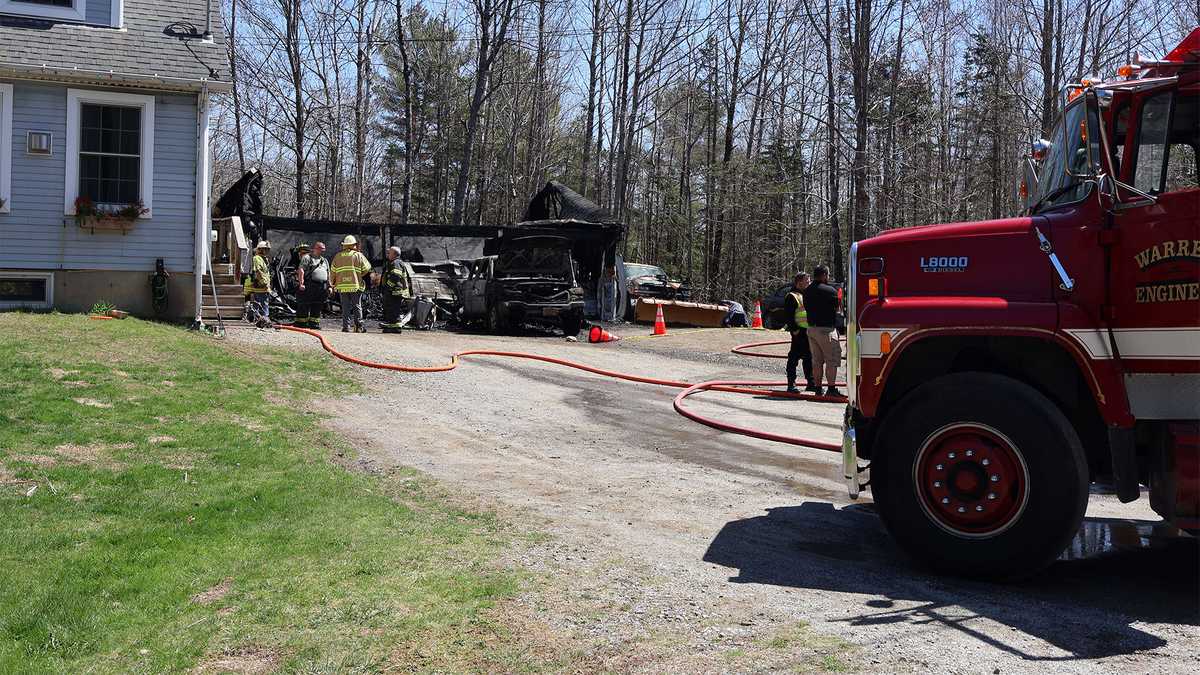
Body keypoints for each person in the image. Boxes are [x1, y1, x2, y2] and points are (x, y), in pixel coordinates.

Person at [802, 265, 842, 397]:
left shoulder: (807, 291)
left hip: (812, 329)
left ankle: (818, 389)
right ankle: (831, 389)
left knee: (817, 361)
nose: (829, 277)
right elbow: (838, 309)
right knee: (831, 360)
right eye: (828, 274)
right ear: (824, 275)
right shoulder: (830, 291)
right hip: (826, 330)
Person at [332, 235, 373, 333]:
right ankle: (358, 327)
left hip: (342, 286)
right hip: (355, 285)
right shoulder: (358, 255)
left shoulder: (338, 256)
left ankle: (346, 327)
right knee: (357, 306)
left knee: (345, 307)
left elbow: (333, 271)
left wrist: (332, 284)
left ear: (344, 245)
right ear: (354, 245)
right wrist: (359, 274)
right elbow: (367, 268)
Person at [784, 273, 816, 394]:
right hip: (799, 332)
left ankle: (811, 382)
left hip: (808, 331)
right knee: (794, 357)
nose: (809, 282)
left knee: (809, 357)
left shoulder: (807, 295)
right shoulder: (792, 296)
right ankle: (791, 383)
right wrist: (795, 330)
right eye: (807, 281)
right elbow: (788, 316)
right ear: (799, 283)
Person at [295, 241, 328, 329]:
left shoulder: (324, 260)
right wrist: (301, 283)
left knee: (318, 304)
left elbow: (328, 273)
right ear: (316, 248)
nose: (323, 252)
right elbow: (301, 270)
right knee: (304, 304)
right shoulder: (307, 258)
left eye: (324, 250)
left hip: (321, 286)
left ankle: (314, 323)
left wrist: (330, 286)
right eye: (321, 249)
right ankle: (301, 323)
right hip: (310, 284)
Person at [379, 246, 412, 334]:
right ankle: (392, 326)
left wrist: (388, 286)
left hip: (394, 291)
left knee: (393, 310)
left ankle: (396, 328)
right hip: (393, 291)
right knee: (391, 310)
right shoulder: (394, 262)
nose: (388, 254)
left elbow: (395, 276)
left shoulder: (396, 263)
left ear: (394, 254)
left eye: (389, 252)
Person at [247, 241, 272, 328]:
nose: (267, 251)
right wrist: (263, 282)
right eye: (265, 249)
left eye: (267, 249)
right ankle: (265, 322)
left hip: (264, 287)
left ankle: (259, 321)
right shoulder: (257, 258)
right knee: (263, 304)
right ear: (260, 250)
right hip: (260, 287)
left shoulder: (264, 259)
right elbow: (258, 271)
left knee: (259, 304)